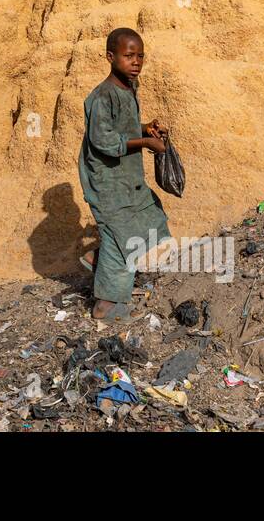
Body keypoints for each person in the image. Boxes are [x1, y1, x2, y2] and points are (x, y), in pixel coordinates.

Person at [77, 27, 175, 320]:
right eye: (128, 55)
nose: (136, 62)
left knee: (151, 217)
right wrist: (144, 142)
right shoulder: (102, 97)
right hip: (106, 179)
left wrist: (146, 128)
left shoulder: (130, 87)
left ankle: (96, 258)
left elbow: (123, 128)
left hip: (126, 177)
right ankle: (105, 306)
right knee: (120, 238)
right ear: (110, 57)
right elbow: (104, 141)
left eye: (140, 56)